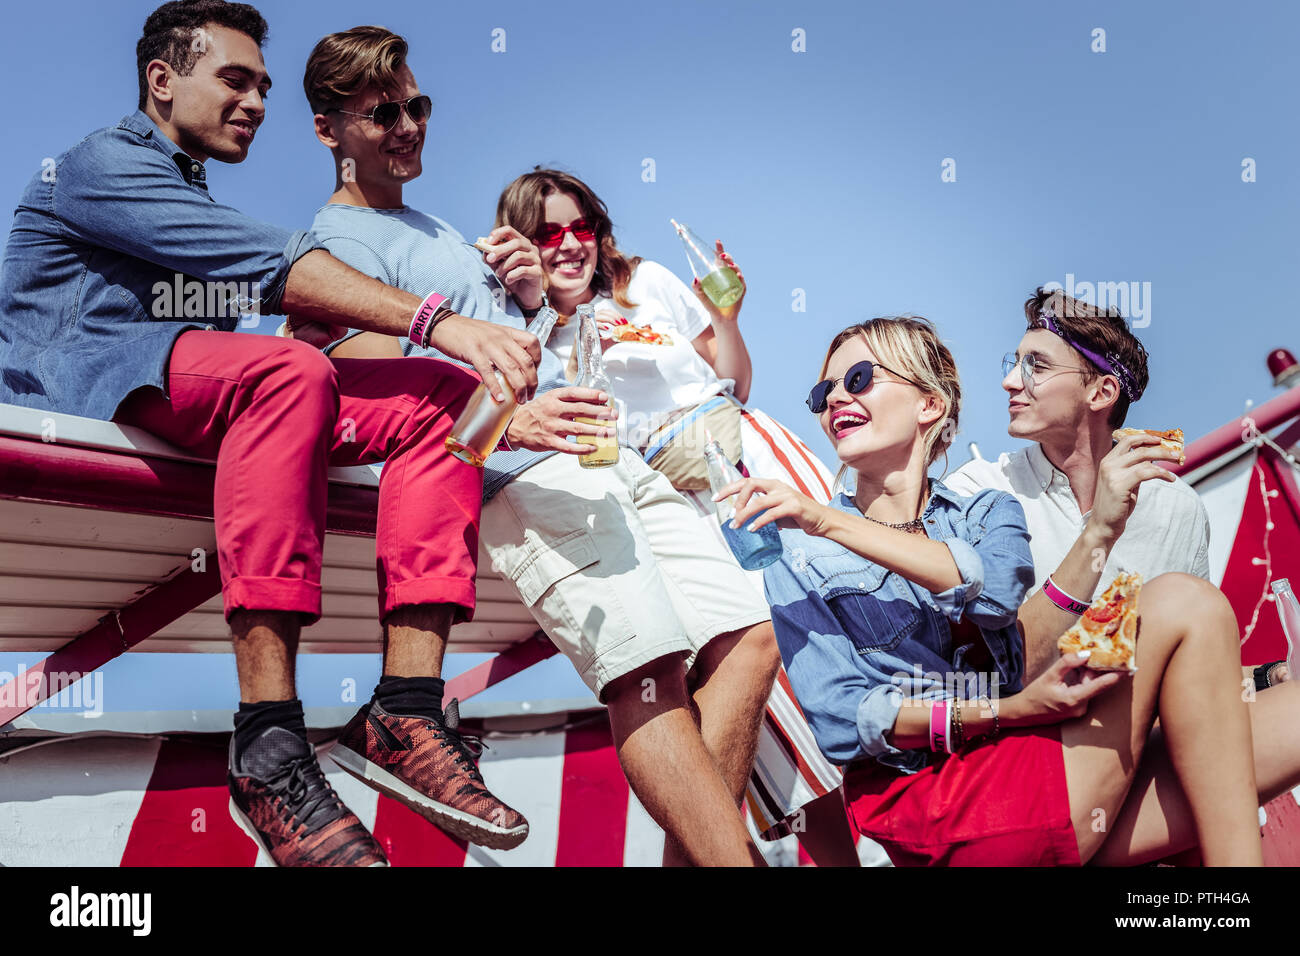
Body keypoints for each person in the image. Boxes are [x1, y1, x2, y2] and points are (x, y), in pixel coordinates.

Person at [0, 0, 545, 866]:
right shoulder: (100, 166)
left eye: (261, 85)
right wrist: (439, 319)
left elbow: (257, 307)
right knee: (293, 374)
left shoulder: (182, 189)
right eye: (234, 80)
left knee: (441, 403)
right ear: (161, 80)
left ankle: (405, 708)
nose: (256, 101)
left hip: (181, 385)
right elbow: (275, 268)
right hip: (88, 386)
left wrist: (502, 323)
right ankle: (268, 742)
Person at [301, 25, 782, 866]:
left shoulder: (434, 228)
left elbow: (512, 350)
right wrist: (507, 423)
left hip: (606, 454)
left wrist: (524, 301)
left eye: (417, 104)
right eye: (383, 113)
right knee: (648, 673)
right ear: (327, 130)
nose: (409, 124)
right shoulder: (341, 243)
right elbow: (363, 390)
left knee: (750, 642)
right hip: (522, 473)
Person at [722, 315, 1297, 865]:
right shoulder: (798, 552)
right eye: (823, 394)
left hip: (1046, 769)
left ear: (929, 404)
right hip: (944, 801)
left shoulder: (986, 511)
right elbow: (845, 720)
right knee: (1183, 601)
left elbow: (993, 594)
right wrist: (1009, 710)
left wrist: (826, 519)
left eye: (858, 380)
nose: (836, 400)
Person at [491, 169, 854, 861]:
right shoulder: (523, 326)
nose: (570, 245)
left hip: (745, 455)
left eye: (581, 227)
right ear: (522, 245)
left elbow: (733, 381)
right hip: (668, 496)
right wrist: (538, 307)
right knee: (770, 696)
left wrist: (727, 317)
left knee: (830, 640)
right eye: (548, 233)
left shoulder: (645, 282)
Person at [944, 289, 1290, 687]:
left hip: (1147, 742)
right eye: (1016, 363)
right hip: (1026, 740)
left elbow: (1190, 680)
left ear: (1102, 393)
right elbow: (993, 676)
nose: (1008, 382)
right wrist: (1100, 530)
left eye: (1035, 367)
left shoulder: (1176, 506)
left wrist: (1269, 676)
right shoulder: (977, 490)